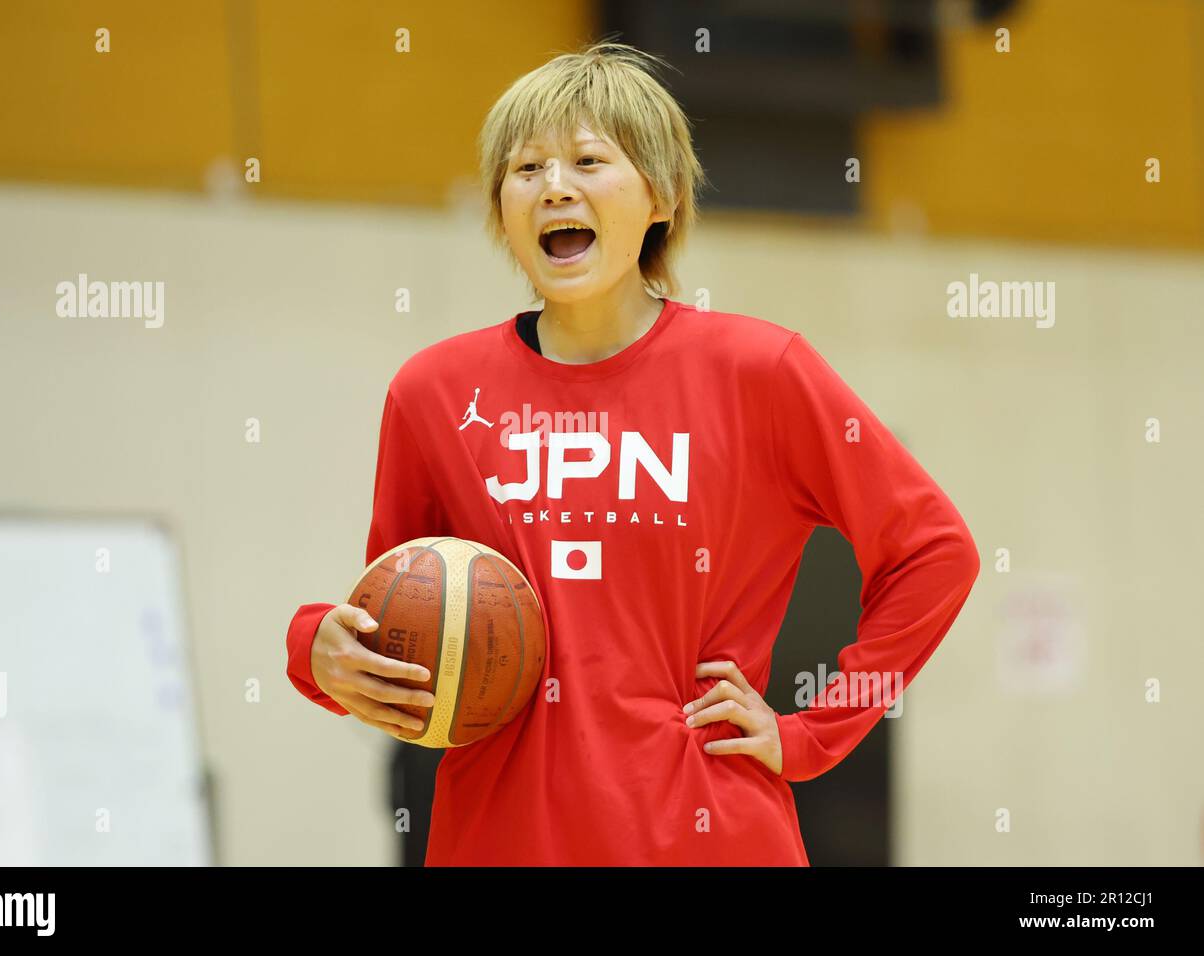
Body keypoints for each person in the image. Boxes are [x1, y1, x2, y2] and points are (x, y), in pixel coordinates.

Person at [285, 39, 980, 865]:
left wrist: (811, 733)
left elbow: (935, 553)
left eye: (587, 160)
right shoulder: (433, 392)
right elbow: (401, 625)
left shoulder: (760, 372)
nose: (554, 187)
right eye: (525, 169)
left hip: (708, 834)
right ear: (500, 207)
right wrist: (315, 648)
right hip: (501, 841)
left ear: (662, 196)